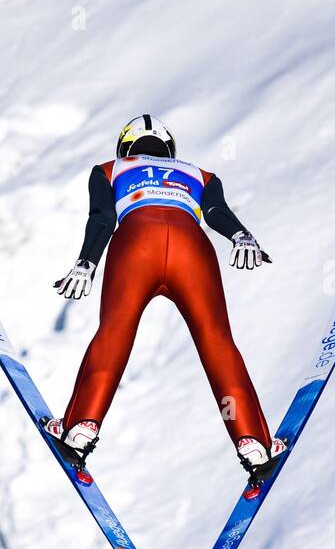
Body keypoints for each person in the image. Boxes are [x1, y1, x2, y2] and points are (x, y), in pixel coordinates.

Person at [48, 114, 283, 488]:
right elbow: (217, 213)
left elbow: (103, 218)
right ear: (169, 149)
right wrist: (241, 235)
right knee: (216, 340)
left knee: (115, 333)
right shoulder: (201, 175)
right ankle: (253, 441)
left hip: (136, 244)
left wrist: (86, 263)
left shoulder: (109, 169)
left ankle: (81, 428)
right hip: (192, 247)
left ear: (126, 147)